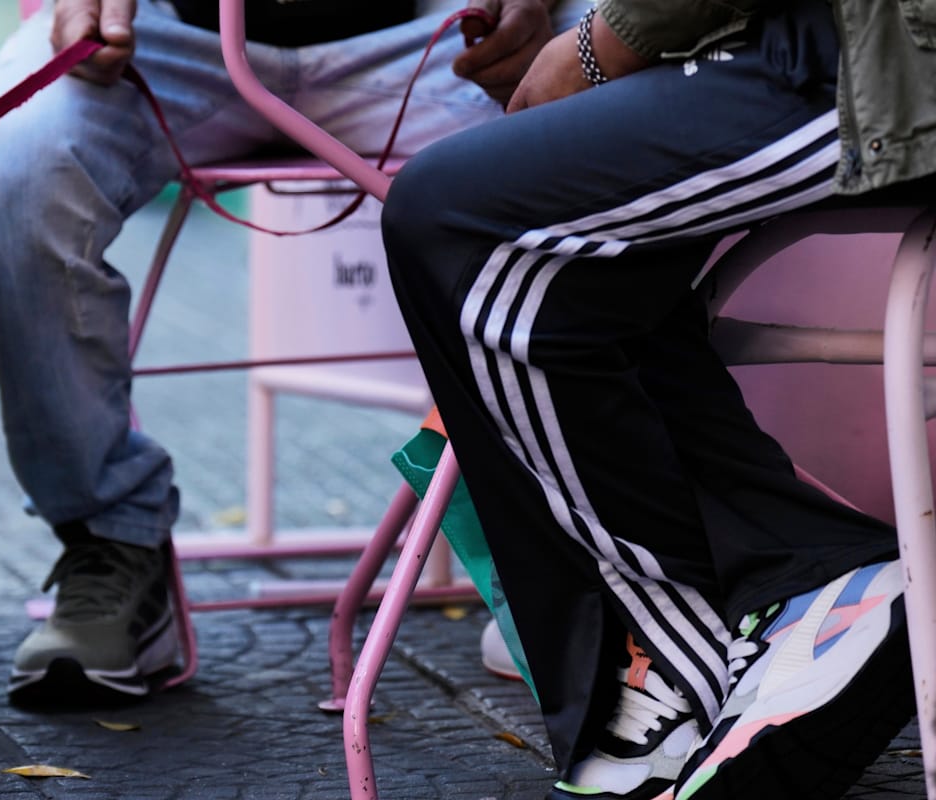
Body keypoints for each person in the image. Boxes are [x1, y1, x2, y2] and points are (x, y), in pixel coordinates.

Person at [0, 0, 582, 707]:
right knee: (13, 180)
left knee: (613, 116)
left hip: (430, 30)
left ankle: (564, 548)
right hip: (169, 33)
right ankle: (110, 540)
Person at [380, 0, 935, 798]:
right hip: (820, 41)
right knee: (554, 250)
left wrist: (603, 42)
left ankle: (680, 653)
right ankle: (806, 580)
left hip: (883, 60)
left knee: (461, 220)